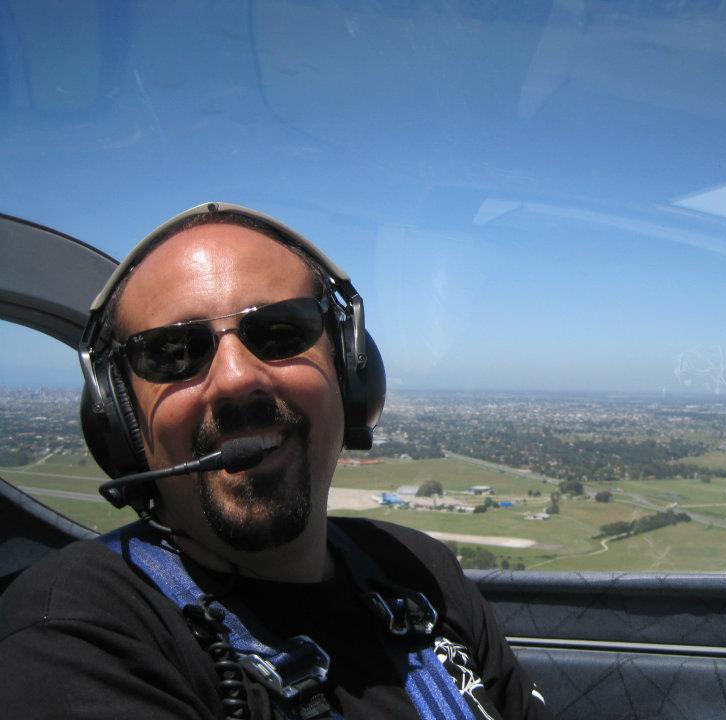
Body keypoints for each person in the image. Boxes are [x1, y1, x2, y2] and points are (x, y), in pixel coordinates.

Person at [0, 202, 551, 720]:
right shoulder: (78, 634)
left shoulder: (420, 570)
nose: (237, 379)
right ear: (119, 415)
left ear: (349, 372)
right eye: (174, 351)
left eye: (281, 332)